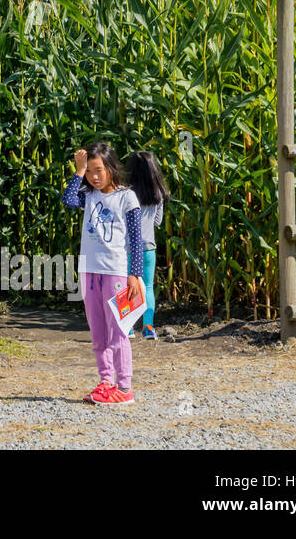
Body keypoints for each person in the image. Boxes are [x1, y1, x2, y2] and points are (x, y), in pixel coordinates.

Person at [62, 142, 144, 406]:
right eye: (90, 173)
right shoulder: (88, 194)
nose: (94, 177)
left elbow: (136, 239)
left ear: (111, 167)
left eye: (98, 171)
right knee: (98, 333)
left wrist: (135, 274)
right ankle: (106, 381)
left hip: (116, 273)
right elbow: (68, 199)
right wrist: (78, 170)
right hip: (89, 272)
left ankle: (125, 387)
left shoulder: (126, 197)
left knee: (119, 332)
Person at [124, 150, 169, 340]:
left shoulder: (126, 193)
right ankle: (149, 327)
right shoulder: (158, 193)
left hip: (127, 248)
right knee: (148, 287)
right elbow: (158, 222)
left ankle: (128, 327)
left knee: (128, 287)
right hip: (149, 246)